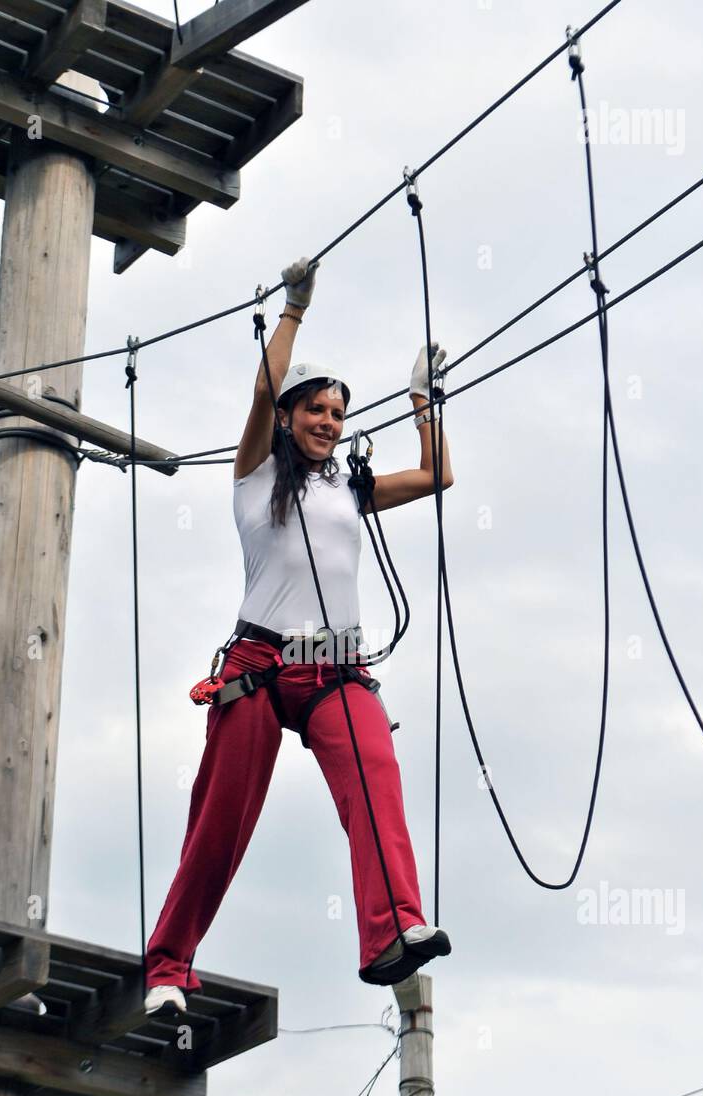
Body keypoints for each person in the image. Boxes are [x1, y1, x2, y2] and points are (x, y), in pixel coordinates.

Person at [144, 255, 455, 1017]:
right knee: (222, 818)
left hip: (335, 673)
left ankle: (394, 931)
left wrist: (422, 399)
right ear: (289, 416)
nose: (328, 423)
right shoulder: (254, 477)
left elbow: (439, 475)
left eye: (338, 414)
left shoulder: (350, 489)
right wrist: (295, 309)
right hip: (259, 662)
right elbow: (260, 388)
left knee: (377, 779)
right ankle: (168, 965)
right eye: (315, 410)